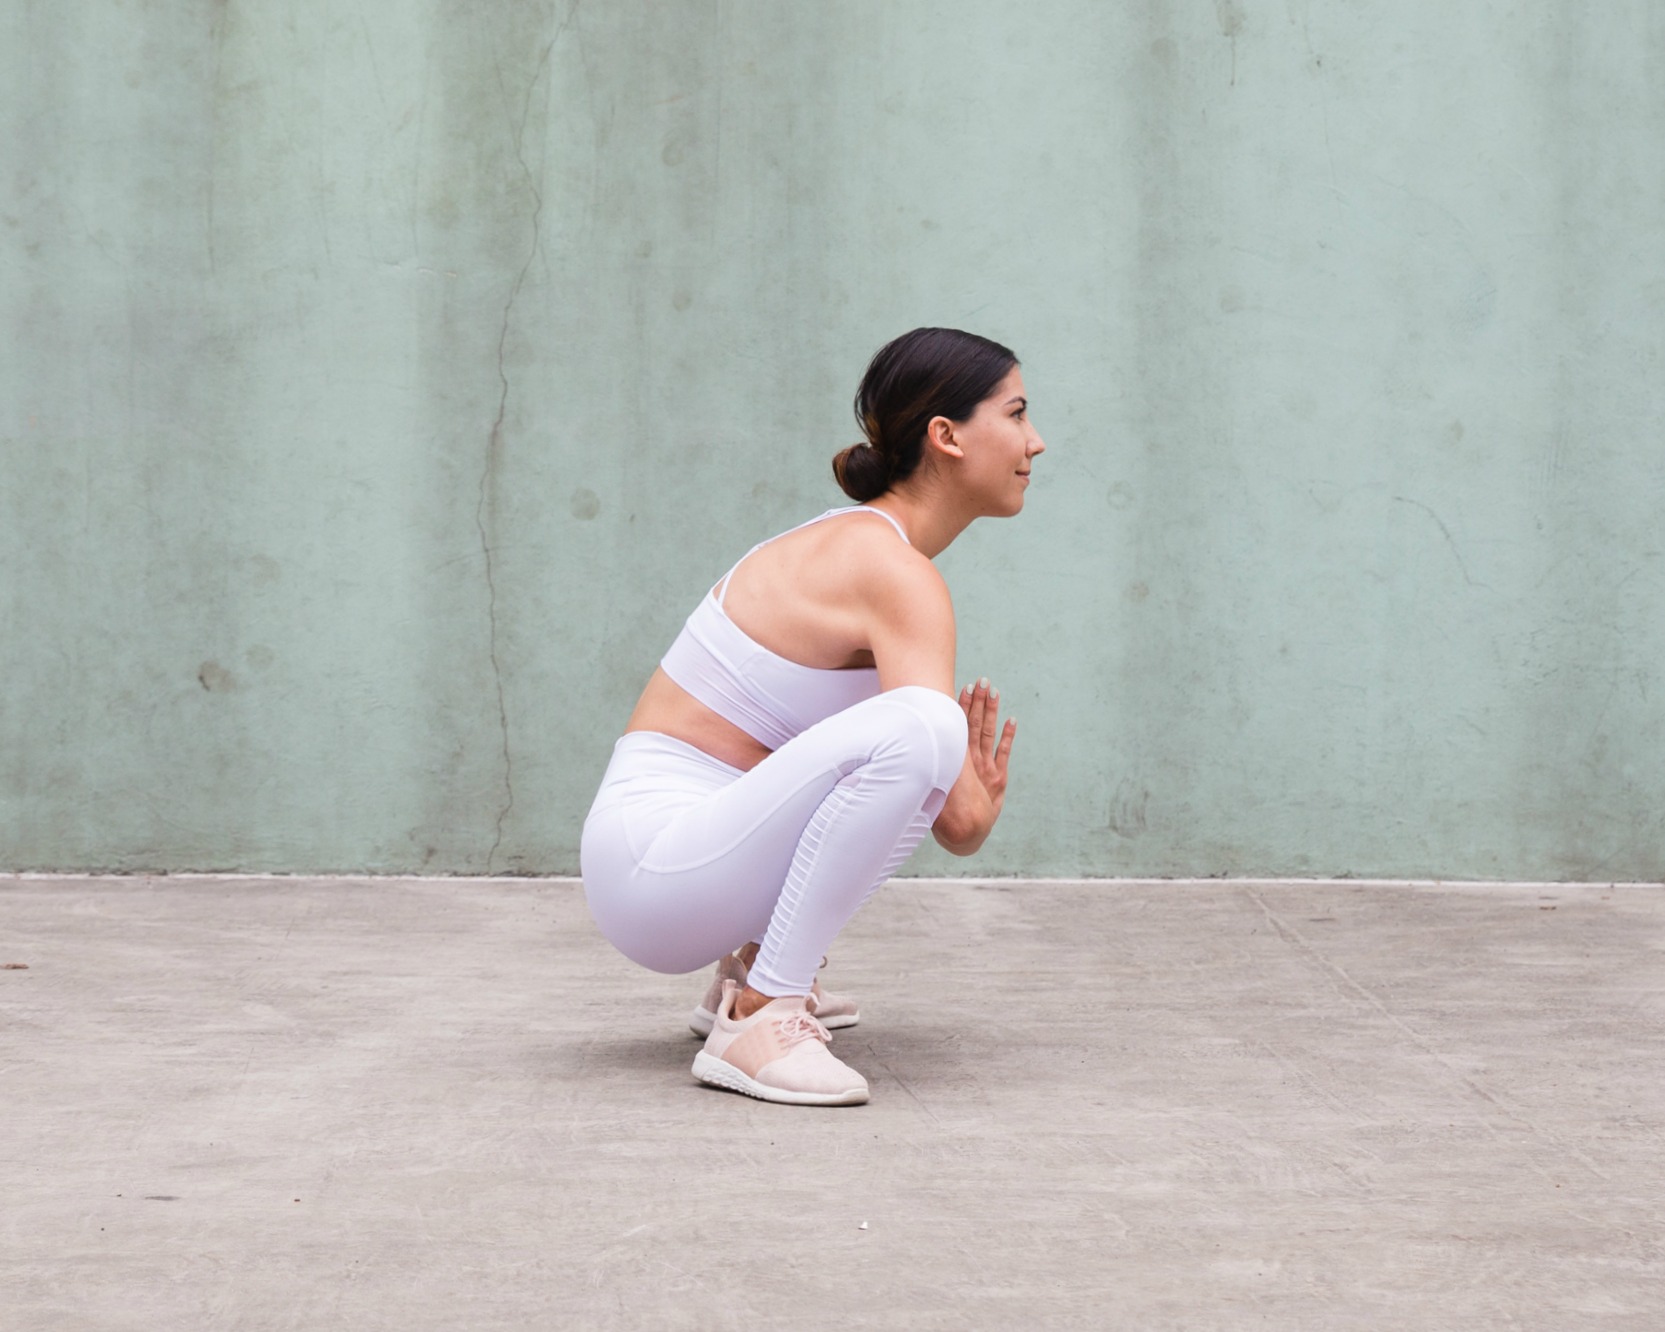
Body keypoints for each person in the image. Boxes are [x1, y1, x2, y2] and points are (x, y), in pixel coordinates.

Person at [580, 327, 1045, 1106]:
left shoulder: (854, 544)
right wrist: (973, 788)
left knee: (902, 738)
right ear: (947, 436)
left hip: (673, 871)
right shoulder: (890, 570)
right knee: (922, 729)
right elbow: (958, 822)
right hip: (656, 868)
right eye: (1017, 413)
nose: (1036, 440)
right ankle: (760, 1017)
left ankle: (752, 970)